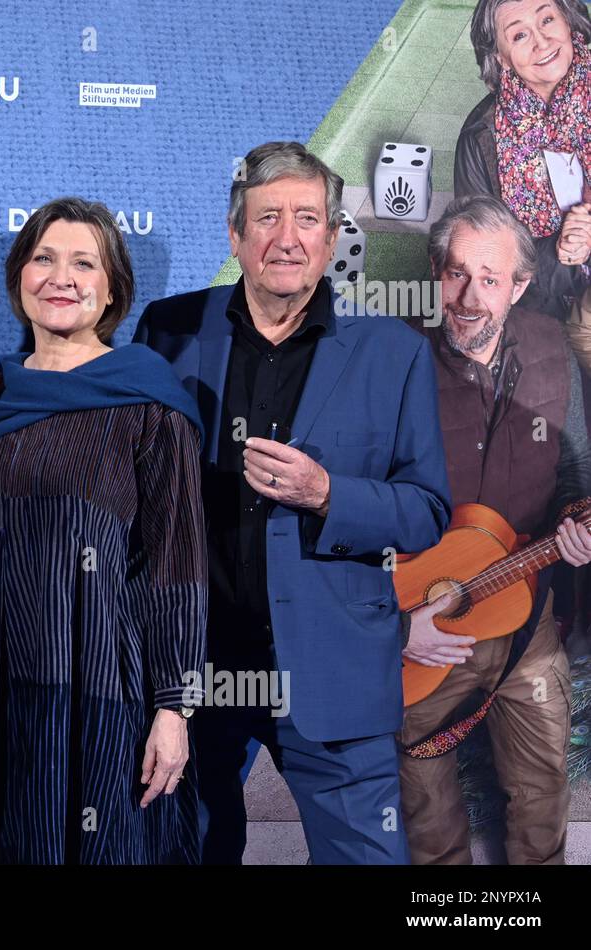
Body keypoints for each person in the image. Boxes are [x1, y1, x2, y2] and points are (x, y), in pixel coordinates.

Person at [134, 142, 452, 864]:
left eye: (307, 217)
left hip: (332, 669)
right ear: (234, 234)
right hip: (196, 668)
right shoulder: (170, 330)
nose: (287, 236)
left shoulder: (392, 351)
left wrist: (328, 493)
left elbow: (427, 509)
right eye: (267, 216)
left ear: (333, 237)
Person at [0, 197, 207, 864]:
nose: (61, 277)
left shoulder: (148, 401)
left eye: (83, 263)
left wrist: (174, 707)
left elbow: (174, 564)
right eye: (44, 259)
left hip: (93, 699)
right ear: (18, 277)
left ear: (112, 288)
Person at [399, 195, 591, 864]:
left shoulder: (548, 347)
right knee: (423, 801)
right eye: (456, 274)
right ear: (433, 274)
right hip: (425, 620)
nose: (470, 297)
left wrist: (576, 526)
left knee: (542, 791)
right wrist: (396, 618)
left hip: (524, 612)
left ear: (521, 285)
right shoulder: (395, 360)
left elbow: (575, 480)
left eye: (490, 277)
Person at [456, 0, 591, 323]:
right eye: (519, 36)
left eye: (547, 19)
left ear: (568, 22)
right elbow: (481, 260)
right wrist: (562, 253)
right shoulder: (481, 138)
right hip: (543, 316)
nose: (542, 42)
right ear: (500, 58)